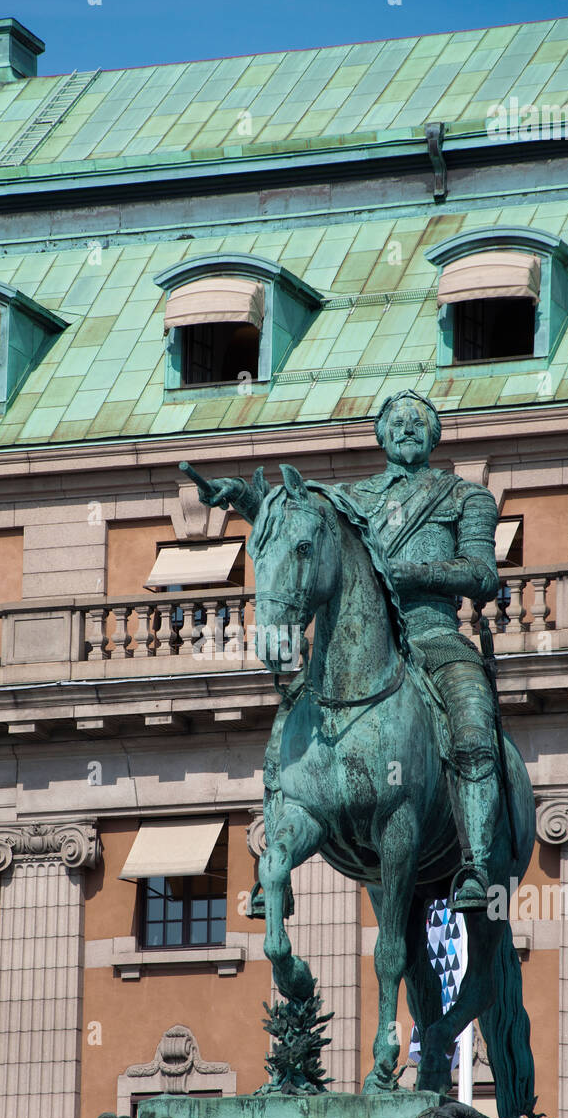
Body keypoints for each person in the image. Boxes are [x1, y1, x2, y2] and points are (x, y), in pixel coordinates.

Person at [190, 389, 502, 914]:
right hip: (358, 645)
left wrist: (405, 574)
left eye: (417, 422)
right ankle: (273, 869)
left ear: (434, 435)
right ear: (380, 436)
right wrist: (240, 497)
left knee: (473, 722)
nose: (406, 429)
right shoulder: (353, 498)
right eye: (395, 423)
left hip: (434, 637)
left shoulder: (465, 498)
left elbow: (483, 575)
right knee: (287, 722)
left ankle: (475, 863)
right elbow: (295, 523)